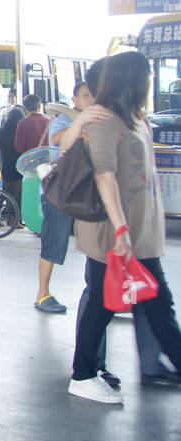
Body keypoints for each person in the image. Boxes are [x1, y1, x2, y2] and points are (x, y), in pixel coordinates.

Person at [64, 51, 181, 404]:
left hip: (137, 233)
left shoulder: (134, 119)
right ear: (132, 80)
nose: (149, 83)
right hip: (113, 234)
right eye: (145, 76)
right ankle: (82, 375)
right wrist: (121, 231)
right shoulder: (104, 119)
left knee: (143, 305)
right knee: (109, 304)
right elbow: (103, 175)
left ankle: (85, 373)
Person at [35, 81, 94, 315]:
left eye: (93, 96)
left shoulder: (94, 121)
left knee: (95, 242)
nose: (90, 99)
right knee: (54, 242)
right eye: (85, 95)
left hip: (85, 192)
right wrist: (83, 127)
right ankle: (42, 294)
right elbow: (58, 138)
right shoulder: (64, 120)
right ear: (75, 99)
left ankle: (100, 290)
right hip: (58, 193)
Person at [0, 98, 27, 210]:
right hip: (18, 164)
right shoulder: (21, 130)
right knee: (17, 194)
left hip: (6, 165)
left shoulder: (2, 131)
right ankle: (13, 217)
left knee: (6, 192)